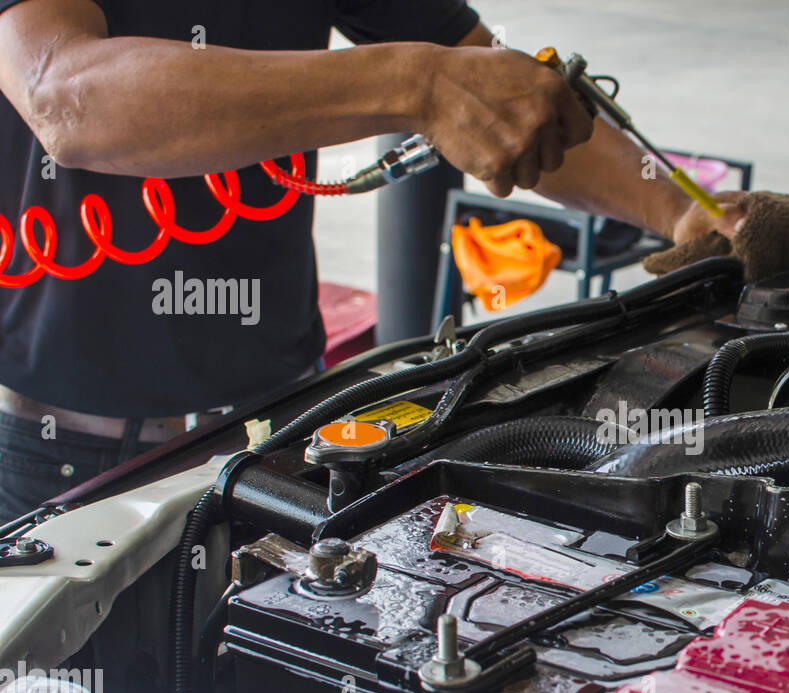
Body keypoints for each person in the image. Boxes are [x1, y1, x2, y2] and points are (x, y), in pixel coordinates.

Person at [0, 0, 743, 521]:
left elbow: (493, 97)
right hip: (65, 455)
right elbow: (65, 94)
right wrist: (413, 84)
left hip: (278, 425)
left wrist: (685, 214)